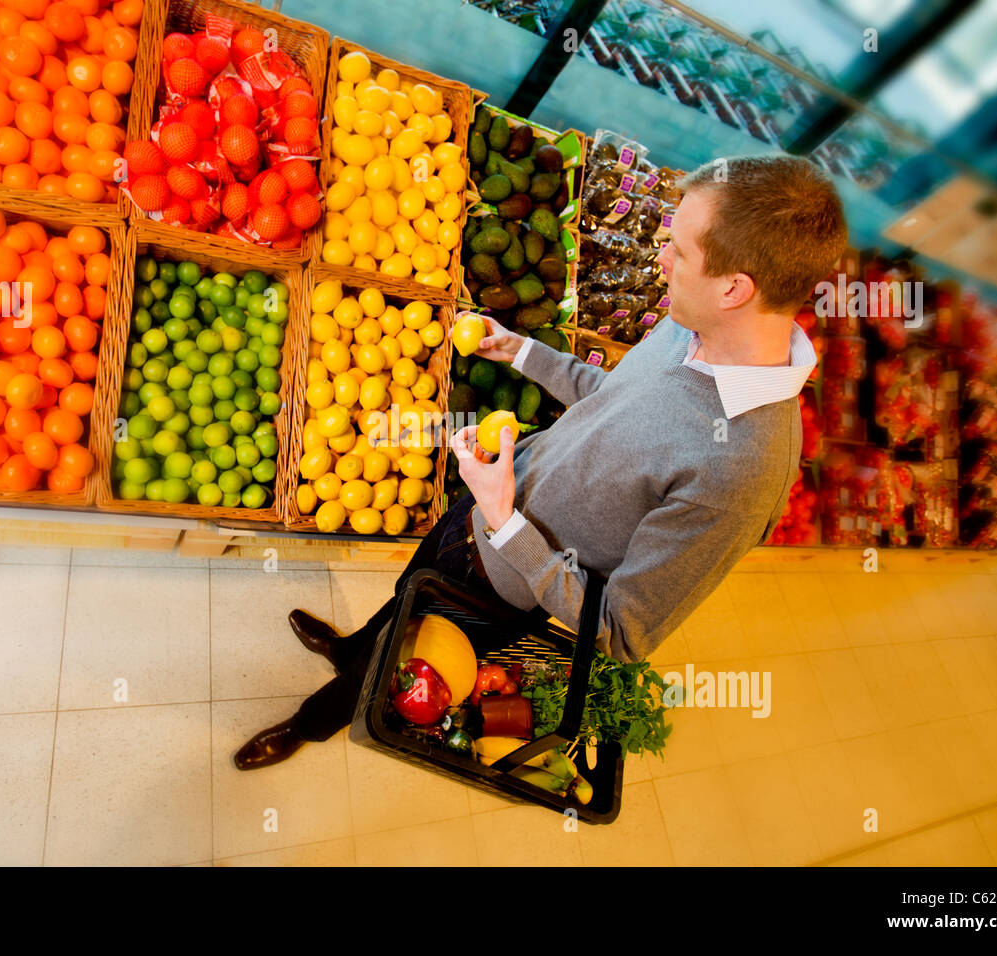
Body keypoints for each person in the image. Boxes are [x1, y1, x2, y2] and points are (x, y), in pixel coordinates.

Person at [234, 153, 848, 770]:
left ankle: (309, 723)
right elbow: (615, 402)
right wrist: (524, 352)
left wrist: (507, 524)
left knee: (399, 665)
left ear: (734, 288)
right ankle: (352, 649)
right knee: (399, 609)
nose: (662, 258)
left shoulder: (740, 472)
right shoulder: (694, 327)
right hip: (479, 512)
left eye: (680, 252)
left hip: (500, 588)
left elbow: (619, 632)